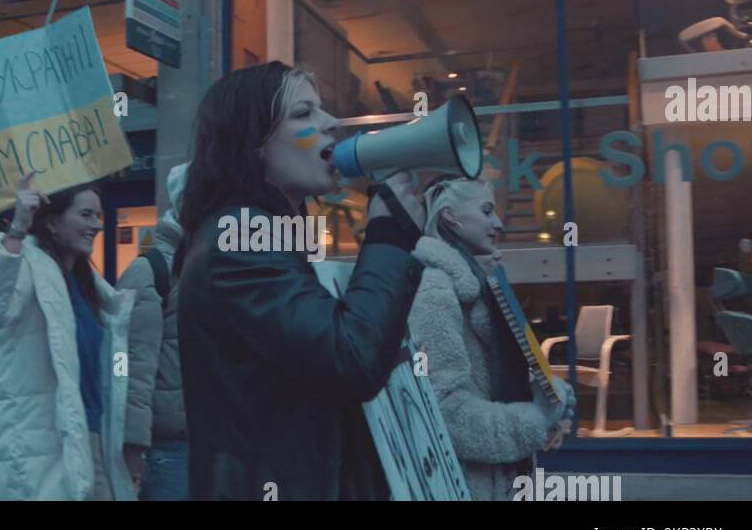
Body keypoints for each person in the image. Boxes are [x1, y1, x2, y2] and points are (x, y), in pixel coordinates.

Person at [176, 61, 426, 500]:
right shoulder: (239, 244)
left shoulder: (268, 237)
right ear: (253, 144)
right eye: (303, 114)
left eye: (323, 110)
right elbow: (352, 357)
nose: (330, 124)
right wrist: (387, 236)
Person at [0, 175, 136, 500]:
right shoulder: (25, 265)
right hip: (39, 448)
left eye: (98, 216)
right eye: (85, 215)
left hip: (90, 438)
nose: (96, 225)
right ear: (52, 223)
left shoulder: (86, 283)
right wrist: (17, 227)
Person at [407, 178, 576, 500]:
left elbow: (496, 381)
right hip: (466, 486)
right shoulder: (436, 291)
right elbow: (445, 415)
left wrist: (549, 398)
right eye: (486, 211)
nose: (497, 223)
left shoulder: (482, 284)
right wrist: (535, 420)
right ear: (449, 218)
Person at [117, 163, 189, 500]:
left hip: (206, 439)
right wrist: (133, 447)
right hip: (168, 446)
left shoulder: (207, 264)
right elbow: (133, 368)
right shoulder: (149, 271)